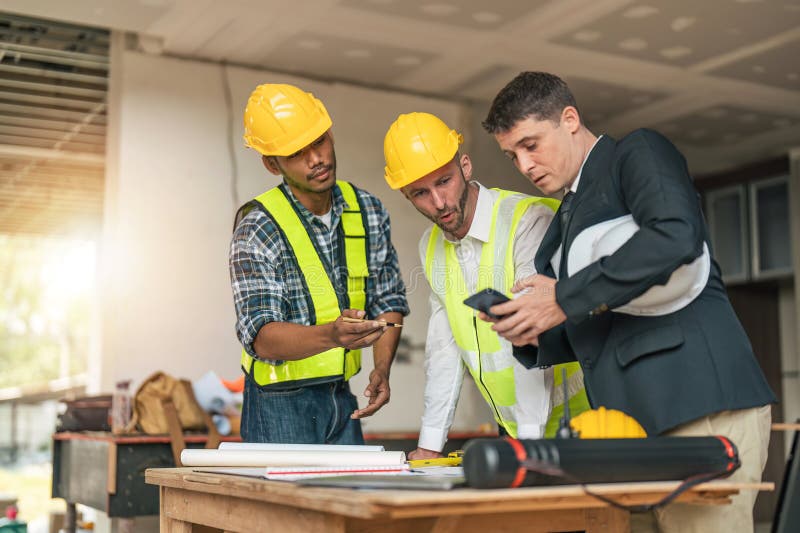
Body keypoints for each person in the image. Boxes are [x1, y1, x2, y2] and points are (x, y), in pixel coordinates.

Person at [481, 71, 775, 532]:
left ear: (570, 119)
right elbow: (598, 321)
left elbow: (674, 235)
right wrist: (533, 331)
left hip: (697, 407)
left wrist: (561, 296)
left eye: (531, 144)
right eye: (512, 154)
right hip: (627, 431)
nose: (524, 165)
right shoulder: (564, 221)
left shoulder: (636, 152)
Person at [382, 112, 589, 460]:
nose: (439, 202)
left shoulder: (528, 220)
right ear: (406, 195)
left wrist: (527, 446)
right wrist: (430, 446)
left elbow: (529, 335)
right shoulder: (430, 246)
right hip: (517, 433)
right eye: (420, 192)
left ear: (465, 166)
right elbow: (444, 349)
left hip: (579, 425)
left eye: (444, 181)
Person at [229, 83, 409, 444]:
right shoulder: (259, 225)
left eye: (319, 142)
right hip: (276, 405)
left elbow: (388, 301)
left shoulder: (368, 210)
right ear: (271, 163)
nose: (317, 159)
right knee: (286, 503)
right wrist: (332, 335)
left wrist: (382, 368)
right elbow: (260, 335)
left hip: (342, 398)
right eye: (297, 152)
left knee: (350, 499)